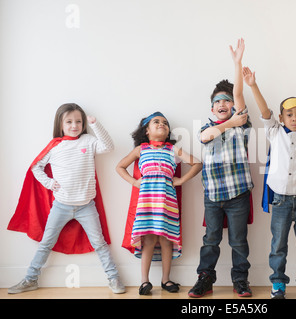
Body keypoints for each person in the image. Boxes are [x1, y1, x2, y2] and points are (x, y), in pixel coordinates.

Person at [8, 103, 125, 294]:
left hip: (87, 206)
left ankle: (114, 278)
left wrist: (96, 125)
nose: (74, 125)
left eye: (78, 121)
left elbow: (108, 147)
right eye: (69, 121)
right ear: (60, 124)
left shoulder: (88, 140)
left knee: (99, 243)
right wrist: (48, 183)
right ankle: (30, 279)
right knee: (46, 242)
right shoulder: (55, 146)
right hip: (61, 206)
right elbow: (35, 167)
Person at [243, 66, 296, 299]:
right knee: (278, 246)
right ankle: (278, 284)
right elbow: (264, 110)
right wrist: (252, 85)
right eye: (289, 115)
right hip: (280, 199)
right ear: (281, 118)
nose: (294, 118)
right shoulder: (274, 131)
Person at [188, 38, 254, 298]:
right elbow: (206, 138)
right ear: (212, 108)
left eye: (227, 101)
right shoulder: (208, 128)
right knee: (210, 241)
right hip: (213, 197)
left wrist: (237, 64)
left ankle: (240, 280)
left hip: (238, 195)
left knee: (238, 242)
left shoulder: (243, 125)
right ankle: (205, 278)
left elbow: (239, 94)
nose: (223, 104)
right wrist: (229, 123)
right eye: (218, 101)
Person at [116, 111, 202, 295]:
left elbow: (197, 164)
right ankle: (144, 281)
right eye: (156, 122)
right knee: (148, 240)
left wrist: (180, 180)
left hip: (167, 203)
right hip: (147, 203)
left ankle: (165, 279)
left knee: (166, 240)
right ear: (146, 130)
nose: (161, 124)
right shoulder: (141, 149)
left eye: (165, 122)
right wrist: (133, 181)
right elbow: (120, 166)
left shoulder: (173, 150)